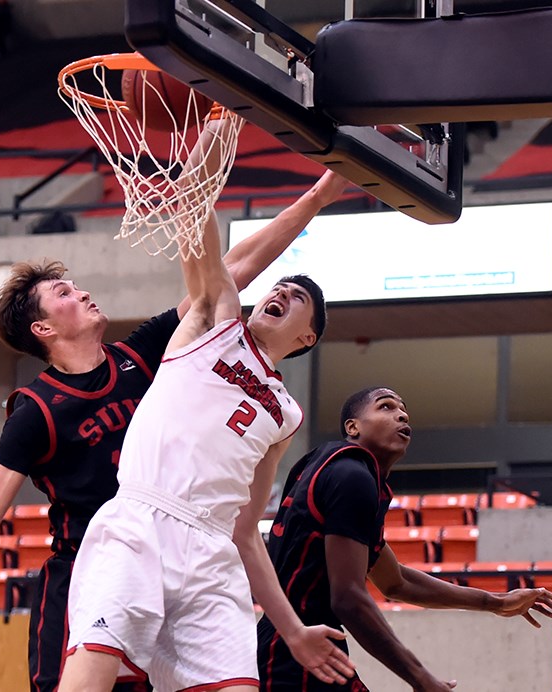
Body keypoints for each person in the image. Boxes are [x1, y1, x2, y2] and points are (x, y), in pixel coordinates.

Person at [0, 167, 350, 690]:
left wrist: (316, 198)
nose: (83, 293)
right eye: (65, 292)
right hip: (95, 557)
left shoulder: (142, 354)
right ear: (42, 329)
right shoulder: (38, 409)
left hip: (183, 552)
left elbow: (231, 270)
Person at [58, 118, 353, 692]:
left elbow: (247, 531)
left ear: (308, 338)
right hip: (140, 522)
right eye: (278, 289)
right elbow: (197, 218)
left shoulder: (285, 414)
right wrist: (218, 126)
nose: (281, 294)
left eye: (297, 301)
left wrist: (291, 630)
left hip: (214, 554)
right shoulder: (210, 325)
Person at [258, 387, 552, 691]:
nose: (402, 415)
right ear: (353, 427)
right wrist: (420, 678)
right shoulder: (352, 476)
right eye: (386, 406)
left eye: (403, 409)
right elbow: (349, 598)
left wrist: (496, 602)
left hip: (302, 645)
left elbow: (396, 582)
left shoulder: (335, 468)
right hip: (295, 650)